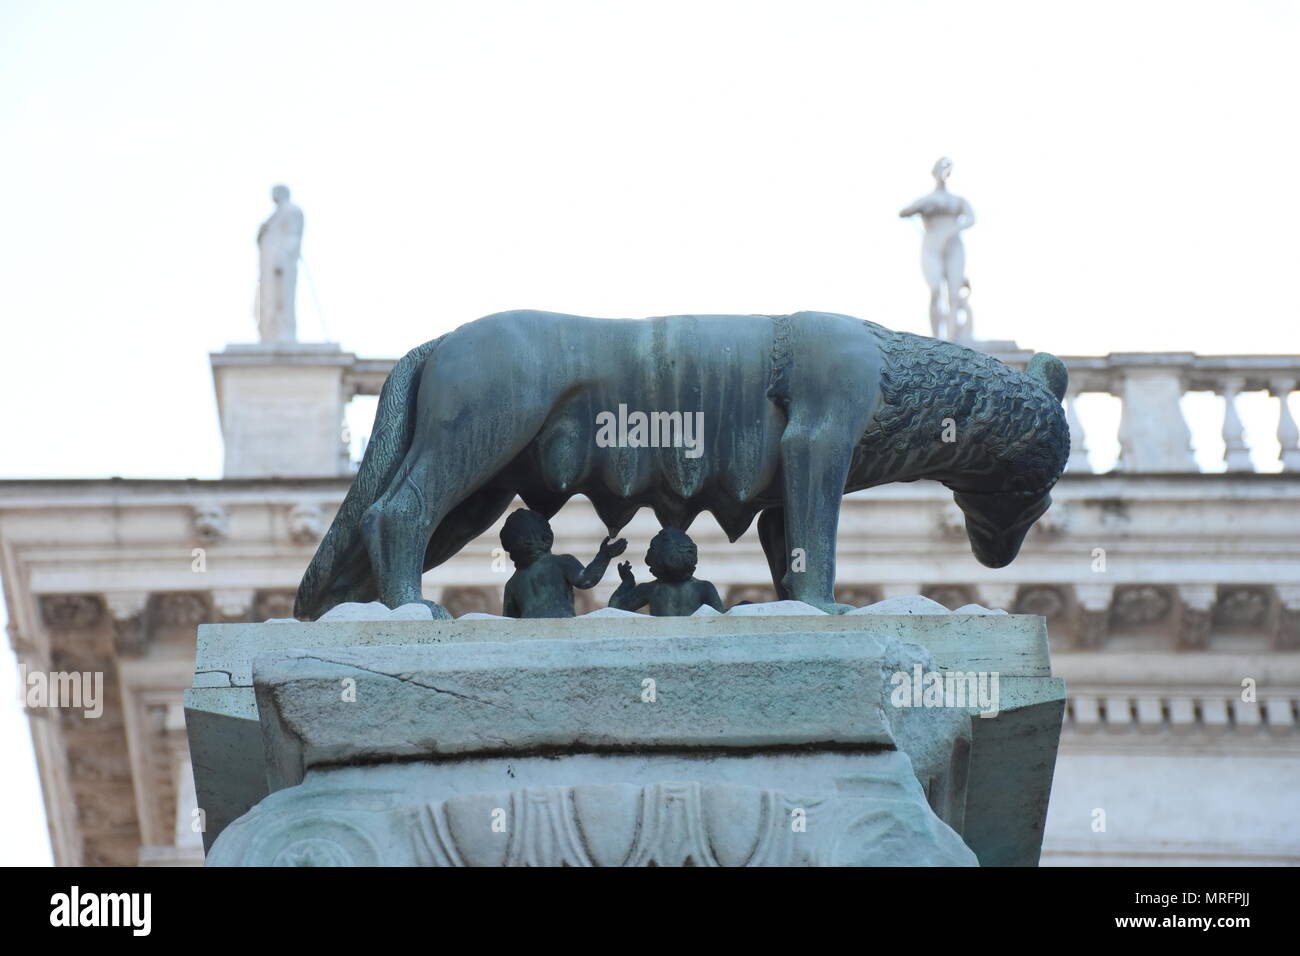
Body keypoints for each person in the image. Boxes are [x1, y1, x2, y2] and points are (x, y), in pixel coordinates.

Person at [899, 158, 975, 342]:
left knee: (954, 294)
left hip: (953, 245)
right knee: (935, 290)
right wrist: (920, 207)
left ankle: (952, 338)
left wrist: (951, 232)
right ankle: (936, 338)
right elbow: (904, 212)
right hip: (932, 245)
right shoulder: (927, 199)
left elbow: (971, 219)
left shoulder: (957, 200)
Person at [500, 509, 625, 618]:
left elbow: (507, 622)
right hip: (562, 626)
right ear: (547, 537)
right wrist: (603, 556)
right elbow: (586, 580)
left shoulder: (512, 583)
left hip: (531, 633)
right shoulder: (562, 562)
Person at [609, 528, 723, 616]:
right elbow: (721, 617)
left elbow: (615, 607)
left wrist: (626, 583)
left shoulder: (649, 589)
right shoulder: (704, 588)